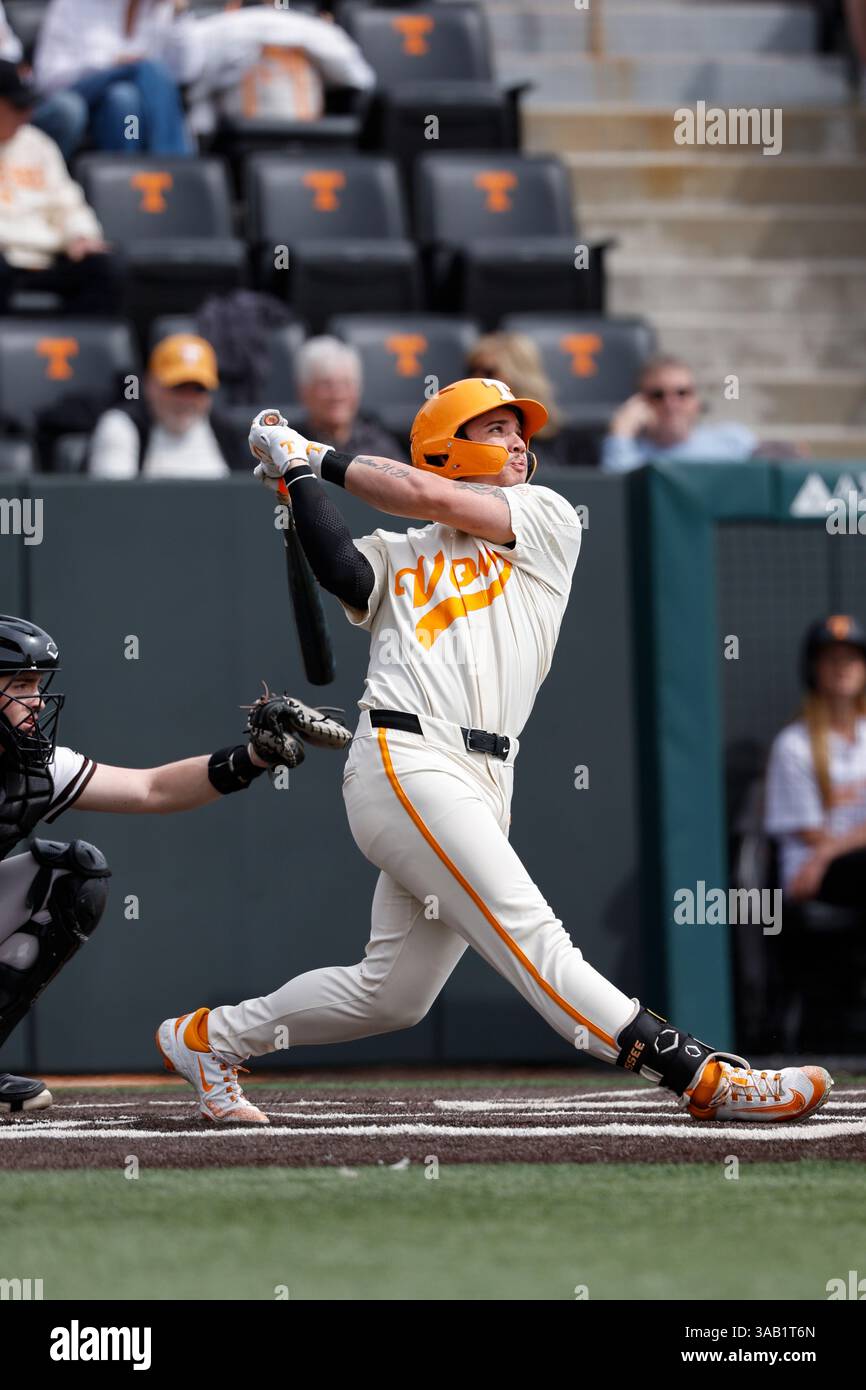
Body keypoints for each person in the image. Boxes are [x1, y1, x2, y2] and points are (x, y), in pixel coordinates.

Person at [157, 377, 833, 1126]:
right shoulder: (401, 550)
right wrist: (296, 479)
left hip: (485, 773)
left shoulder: (544, 517)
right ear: (450, 445)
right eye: (498, 429)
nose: (519, 442)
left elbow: (428, 495)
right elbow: (343, 569)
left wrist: (310, 455)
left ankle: (207, 1038)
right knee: (537, 941)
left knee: (393, 994)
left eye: (522, 430)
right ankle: (702, 1075)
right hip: (405, 758)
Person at [0, 614, 350, 1118]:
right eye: (21, 684)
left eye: (38, 684)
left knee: (73, 879)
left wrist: (251, 757)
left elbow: (152, 789)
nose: (36, 700)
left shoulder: (36, 769)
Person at [0, 62, 120, 315]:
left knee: (104, 270)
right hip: (4, 255)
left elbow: (68, 202)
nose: (27, 114)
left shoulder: (39, 145)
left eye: (29, 106)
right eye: (18, 107)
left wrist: (81, 236)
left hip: (48, 255)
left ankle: (81, 351)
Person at [765, 615, 866, 906]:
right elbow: (811, 835)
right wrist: (828, 852)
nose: (842, 669)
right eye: (832, 660)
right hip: (813, 872)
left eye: (850, 659)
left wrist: (832, 848)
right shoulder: (793, 744)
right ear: (814, 669)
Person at [33, 0, 196, 157]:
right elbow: (48, 80)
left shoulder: (161, 7)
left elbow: (186, 71)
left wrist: (178, 12)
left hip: (128, 110)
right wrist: (112, 64)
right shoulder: (71, 5)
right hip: (82, 93)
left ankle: (127, 174)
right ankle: (172, 161)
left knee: (124, 99)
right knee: (147, 68)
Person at [87, 334, 245, 479]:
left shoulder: (224, 431)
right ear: (150, 385)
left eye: (198, 388)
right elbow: (112, 501)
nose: (187, 400)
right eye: (177, 386)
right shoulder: (121, 426)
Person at [601, 355, 757, 473]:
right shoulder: (630, 454)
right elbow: (619, 499)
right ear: (639, 403)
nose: (671, 404)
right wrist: (620, 433)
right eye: (658, 395)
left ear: (696, 400)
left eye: (682, 393)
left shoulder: (733, 441)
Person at [294, 336, 407, 463]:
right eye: (326, 385)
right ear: (303, 392)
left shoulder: (380, 446)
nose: (338, 395)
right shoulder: (291, 446)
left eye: (346, 384)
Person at [467, 332, 565, 467]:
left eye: (489, 372)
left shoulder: (572, 443)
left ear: (519, 376)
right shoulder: (465, 438)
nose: (476, 379)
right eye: (471, 371)